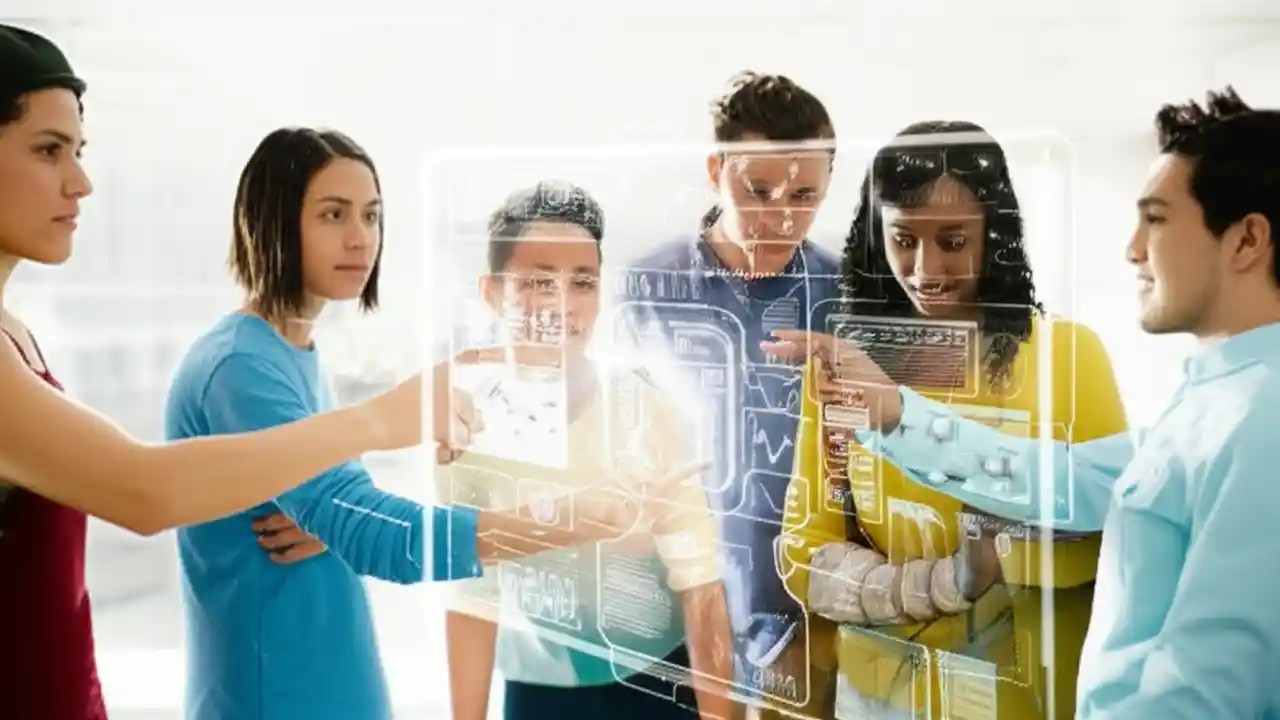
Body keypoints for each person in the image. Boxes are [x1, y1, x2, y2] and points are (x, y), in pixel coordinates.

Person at [771, 87, 1280, 719]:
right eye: (903, 239)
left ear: (1247, 241)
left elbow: (1208, 678)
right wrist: (900, 424)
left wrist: (975, 564)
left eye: (1157, 219)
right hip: (876, 694)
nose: (1131, 249)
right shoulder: (1211, 401)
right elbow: (1074, 482)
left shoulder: (1245, 417)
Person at [0, 24, 430, 719]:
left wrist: (327, 494)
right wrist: (379, 422)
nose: (81, 182)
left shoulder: (17, 336)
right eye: (49, 151)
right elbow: (144, 489)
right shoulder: (238, 360)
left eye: (79, 152)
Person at [163, 135, 638, 719]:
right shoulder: (242, 367)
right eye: (333, 215)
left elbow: (344, 507)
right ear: (273, 221)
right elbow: (388, 541)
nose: (361, 238)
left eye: (372, 216)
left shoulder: (296, 352)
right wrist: (576, 519)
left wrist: (328, 518)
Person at [771, 121, 1127, 719]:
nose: (924, 268)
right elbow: (805, 553)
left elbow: (1112, 536)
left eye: (953, 242)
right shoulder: (846, 366)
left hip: (1021, 695)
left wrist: (994, 555)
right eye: (903, 239)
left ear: (995, 235)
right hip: (880, 695)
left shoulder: (1069, 354)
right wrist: (946, 581)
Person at [441, 181, 738, 720]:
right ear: (490, 292)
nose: (562, 305)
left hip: (652, 688)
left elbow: (701, 586)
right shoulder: (467, 426)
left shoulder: (644, 412)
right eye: (537, 281)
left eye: (582, 283)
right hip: (538, 688)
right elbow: (470, 597)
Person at [616, 70, 843, 718]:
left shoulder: (843, 294)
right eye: (759, 190)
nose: (781, 216)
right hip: (673, 619)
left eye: (805, 196)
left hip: (804, 625)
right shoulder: (646, 287)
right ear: (715, 168)